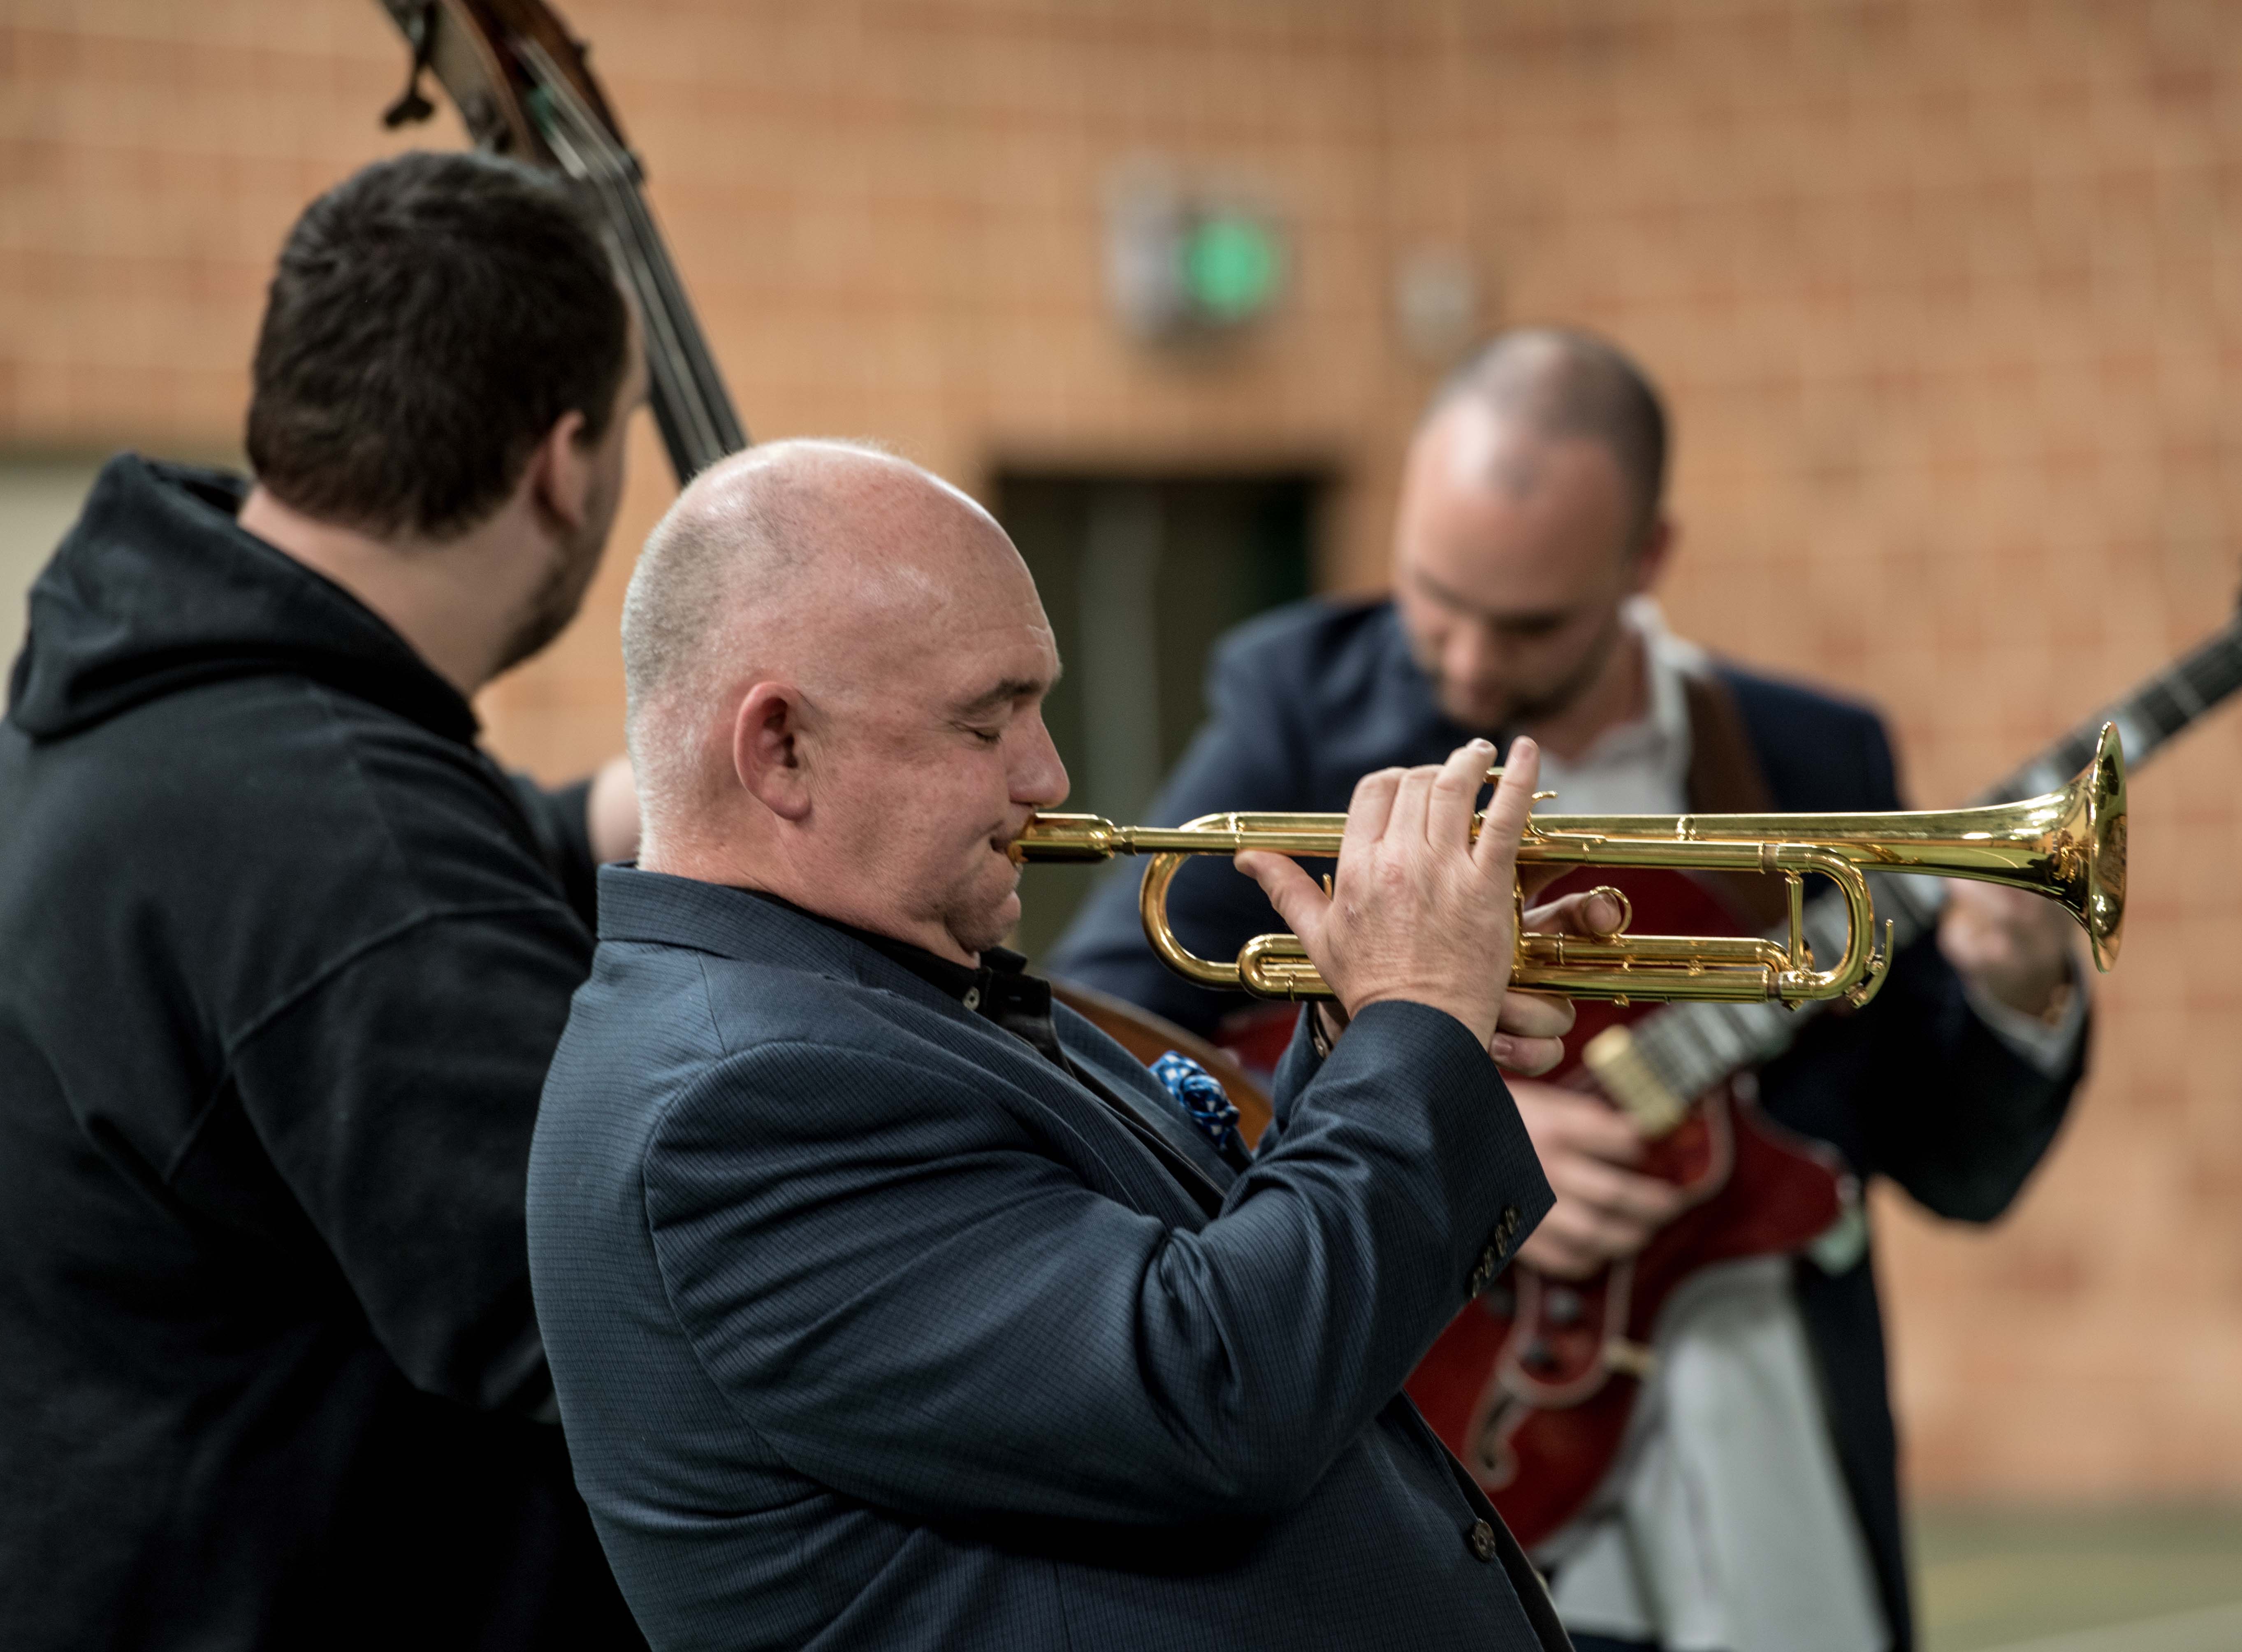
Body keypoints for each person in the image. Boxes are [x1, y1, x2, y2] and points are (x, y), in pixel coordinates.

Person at [1048, 328, 2091, 1652]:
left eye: (1530, 623)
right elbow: (1100, 1039)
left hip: (1766, 1475)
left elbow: (1956, 1168)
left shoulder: (1809, 749)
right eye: (1434, 597)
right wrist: (1444, 1127)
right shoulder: (1296, 709)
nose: (1470, 661)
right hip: (1459, 1468)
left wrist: (2020, 1000)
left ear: (1646, 560)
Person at [524, 438, 1627, 1650]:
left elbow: (1197, 1276)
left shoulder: (873, 994)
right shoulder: (737, 1100)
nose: (1047, 774)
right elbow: (1213, 1389)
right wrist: (1419, 1020)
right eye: (986, 722)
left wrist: (1367, 1029)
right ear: (782, 748)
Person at [0, 152, 651, 1648]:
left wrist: (614, 820)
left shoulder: (159, 706)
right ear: (559, 464)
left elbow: (368, 921)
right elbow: (656, 1326)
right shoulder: (357, 862)